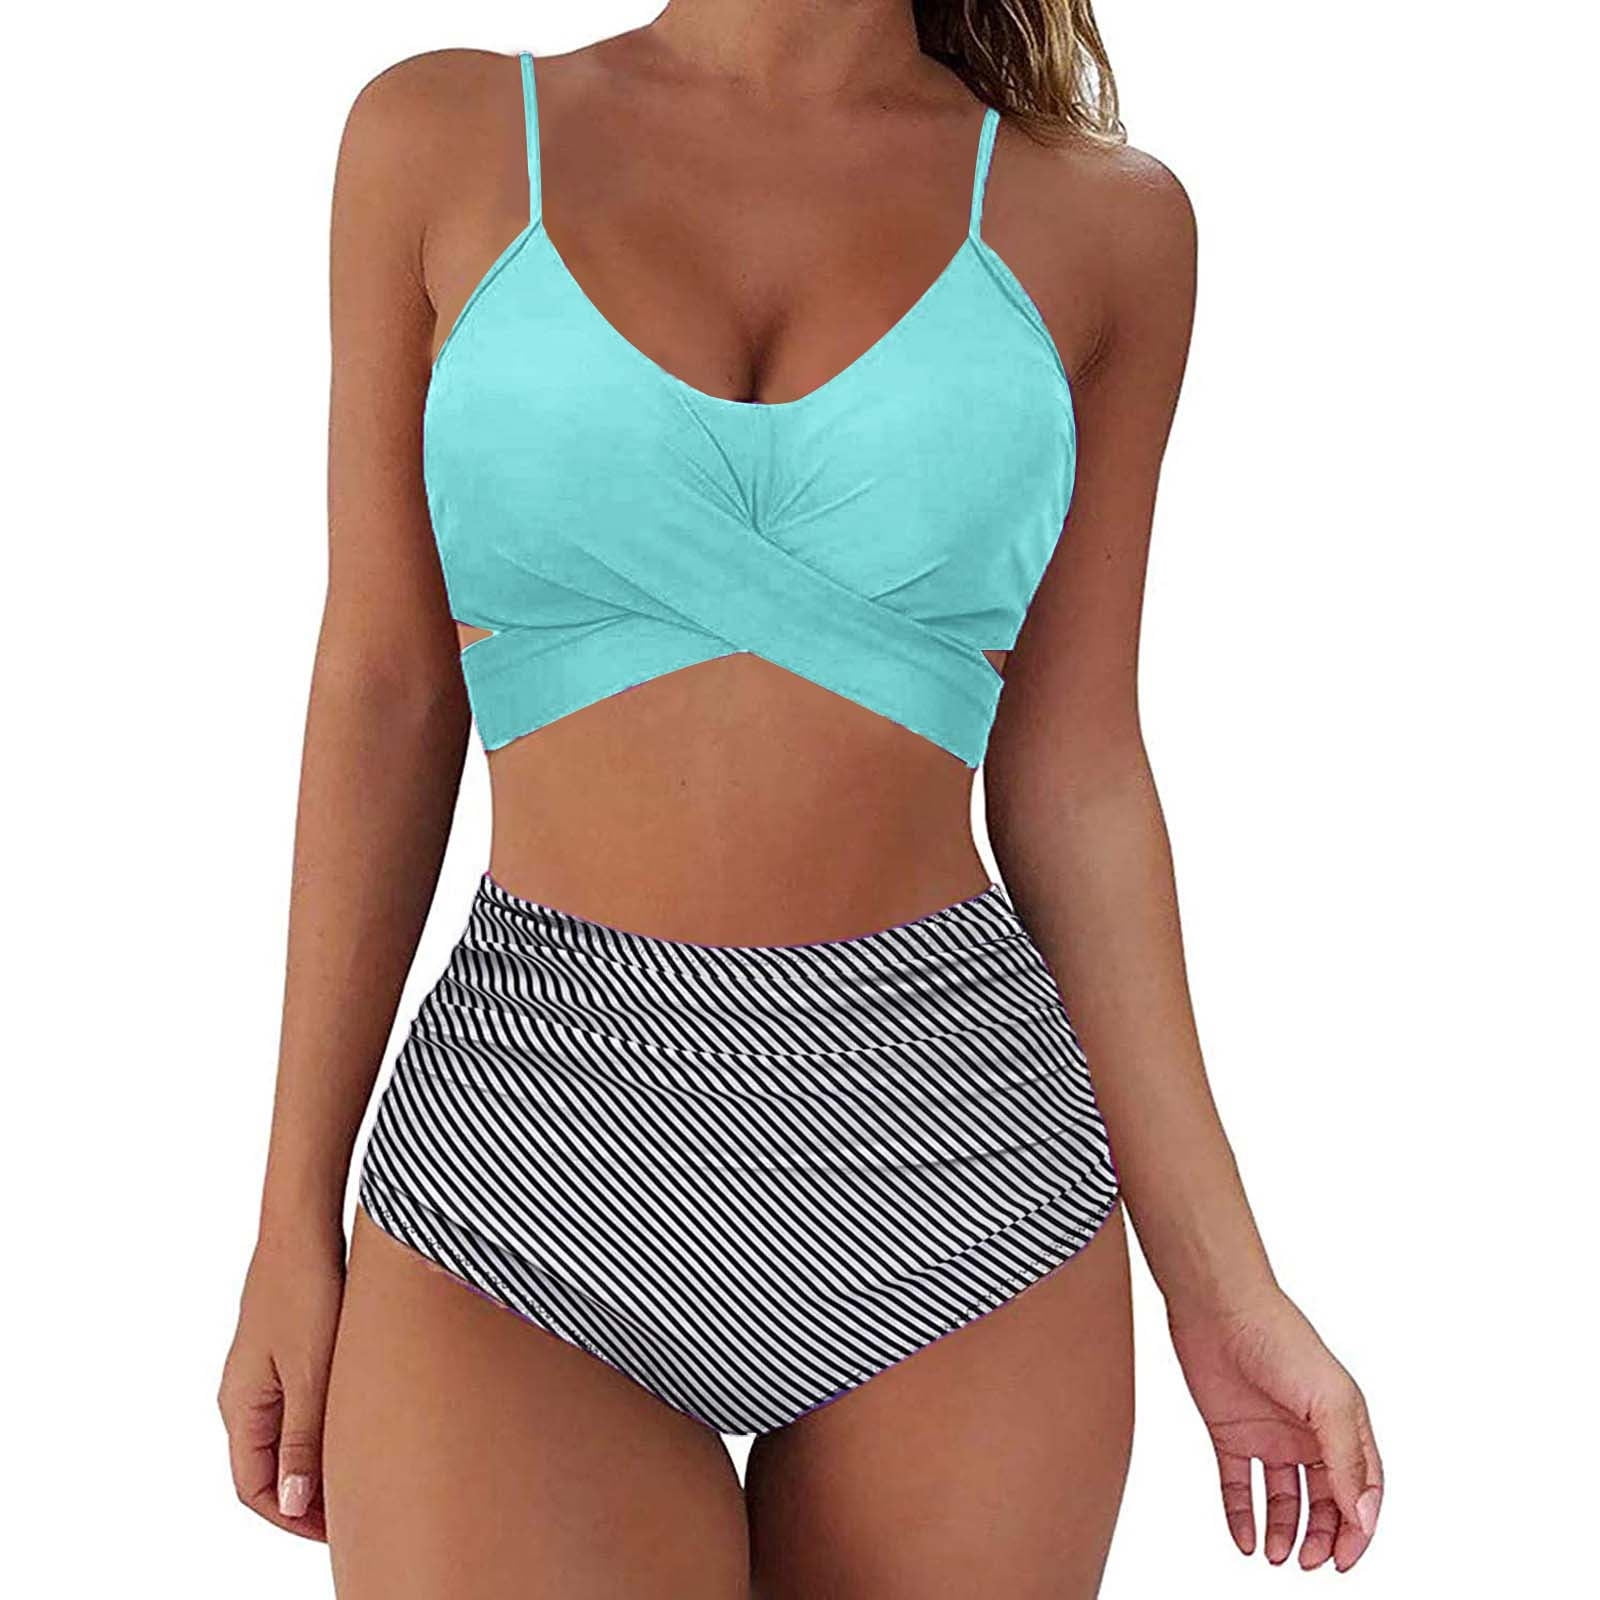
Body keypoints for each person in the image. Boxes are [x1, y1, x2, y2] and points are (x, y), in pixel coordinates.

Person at [218, 4, 1384, 1594]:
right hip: (527, 1159)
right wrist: (289, 1215)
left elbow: (1078, 773)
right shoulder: (442, 140)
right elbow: (383, 690)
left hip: (967, 1172)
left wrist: (1224, 1283)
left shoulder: (1104, 222)